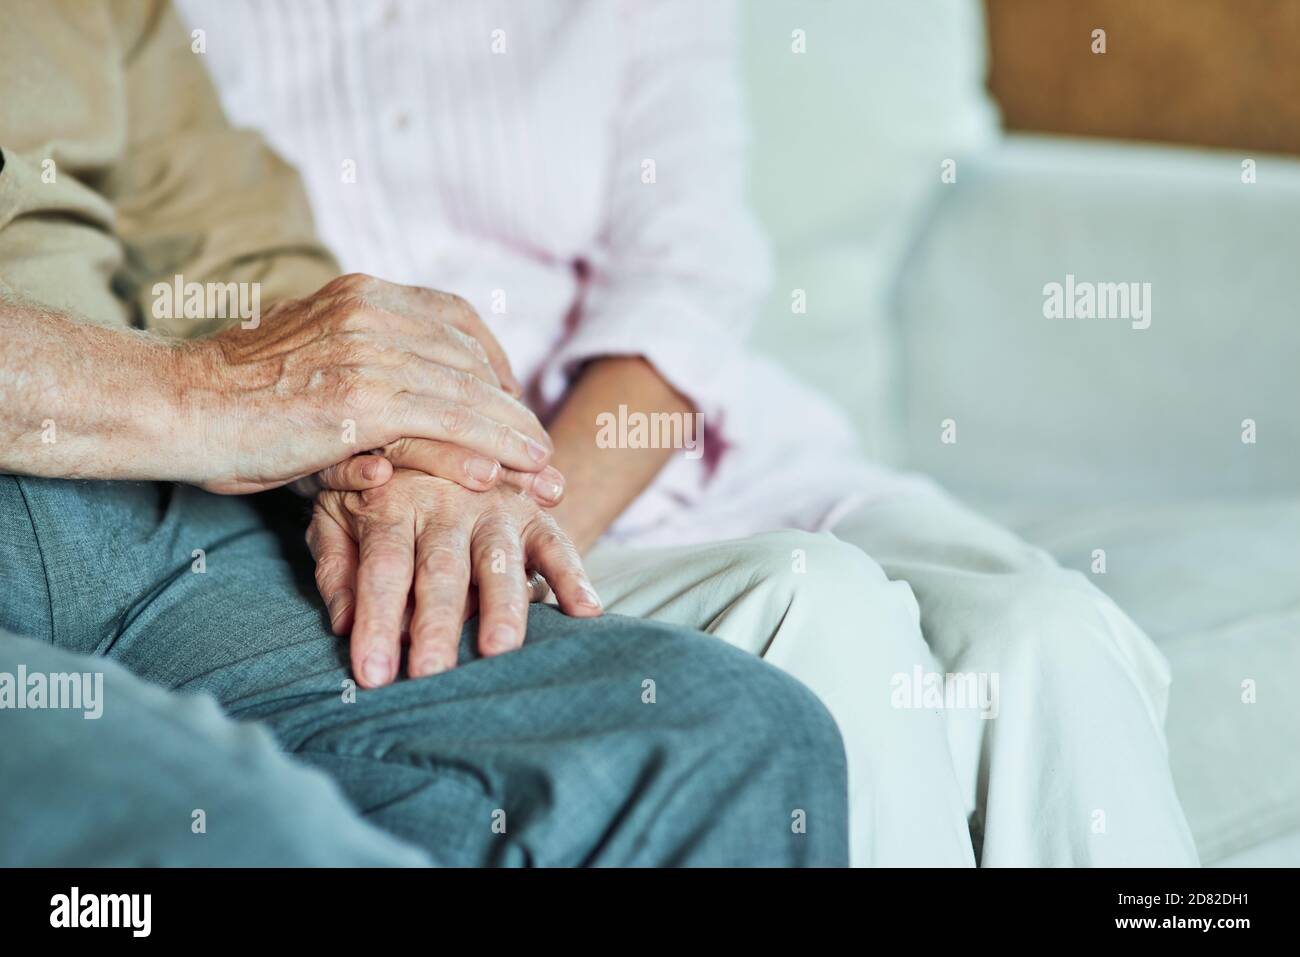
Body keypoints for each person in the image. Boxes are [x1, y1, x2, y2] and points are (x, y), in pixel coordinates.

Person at [180, 0, 1200, 866]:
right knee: (812, 602)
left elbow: (689, 272)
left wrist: (520, 515)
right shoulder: (163, 30)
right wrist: (446, 509)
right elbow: (212, 322)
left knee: (1046, 630)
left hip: (671, 453)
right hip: (410, 505)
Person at [0, 0, 850, 867]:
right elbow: (220, 378)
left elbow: (238, 252)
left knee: (726, 735)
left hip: (163, 529)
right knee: (251, 832)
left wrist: (390, 434)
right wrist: (203, 391)